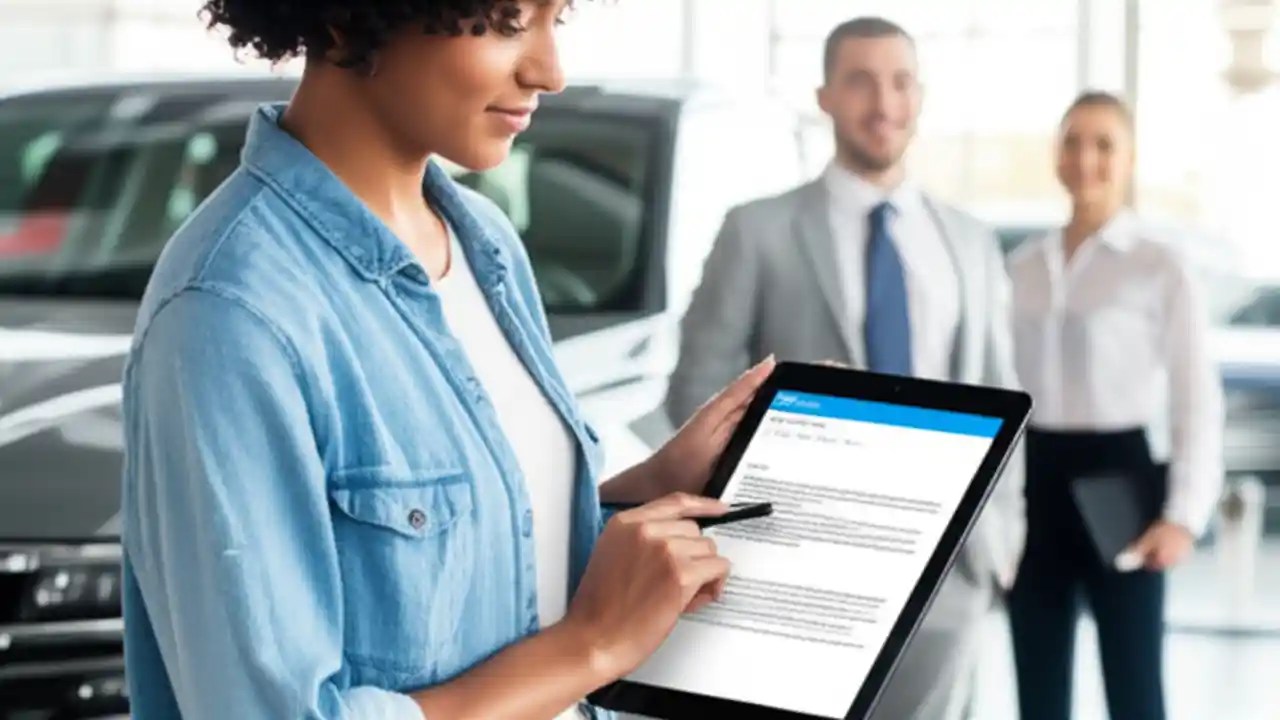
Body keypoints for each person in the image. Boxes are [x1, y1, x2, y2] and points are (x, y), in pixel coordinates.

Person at [119, 2, 777, 718]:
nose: (550, 71)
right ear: (347, 18)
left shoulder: (483, 241)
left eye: (559, 20)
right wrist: (592, 647)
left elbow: (469, 571)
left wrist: (651, 488)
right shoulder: (231, 315)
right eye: (507, 22)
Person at [664, 16, 1024, 720]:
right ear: (825, 95)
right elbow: (696, 396)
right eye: (860, 80)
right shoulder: (757, 230)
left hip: (950, 569)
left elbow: (1003, 392)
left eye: (899, 82)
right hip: (797, 568)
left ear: (920, 95)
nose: (882, 103)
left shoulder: (970, 241)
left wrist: (1000, 546)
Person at [1006, 91, 1224, 720]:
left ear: (1129, 159)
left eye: (1104, 144)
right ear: (1056, 154)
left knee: (1134, 688)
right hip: (1035, 477)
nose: (1086, 158)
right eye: (1073, 141)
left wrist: (1183, 515)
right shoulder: (1022, 267)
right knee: (1037, 684)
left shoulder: (1160, 266)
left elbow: (1194, 396)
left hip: (1120, 481)